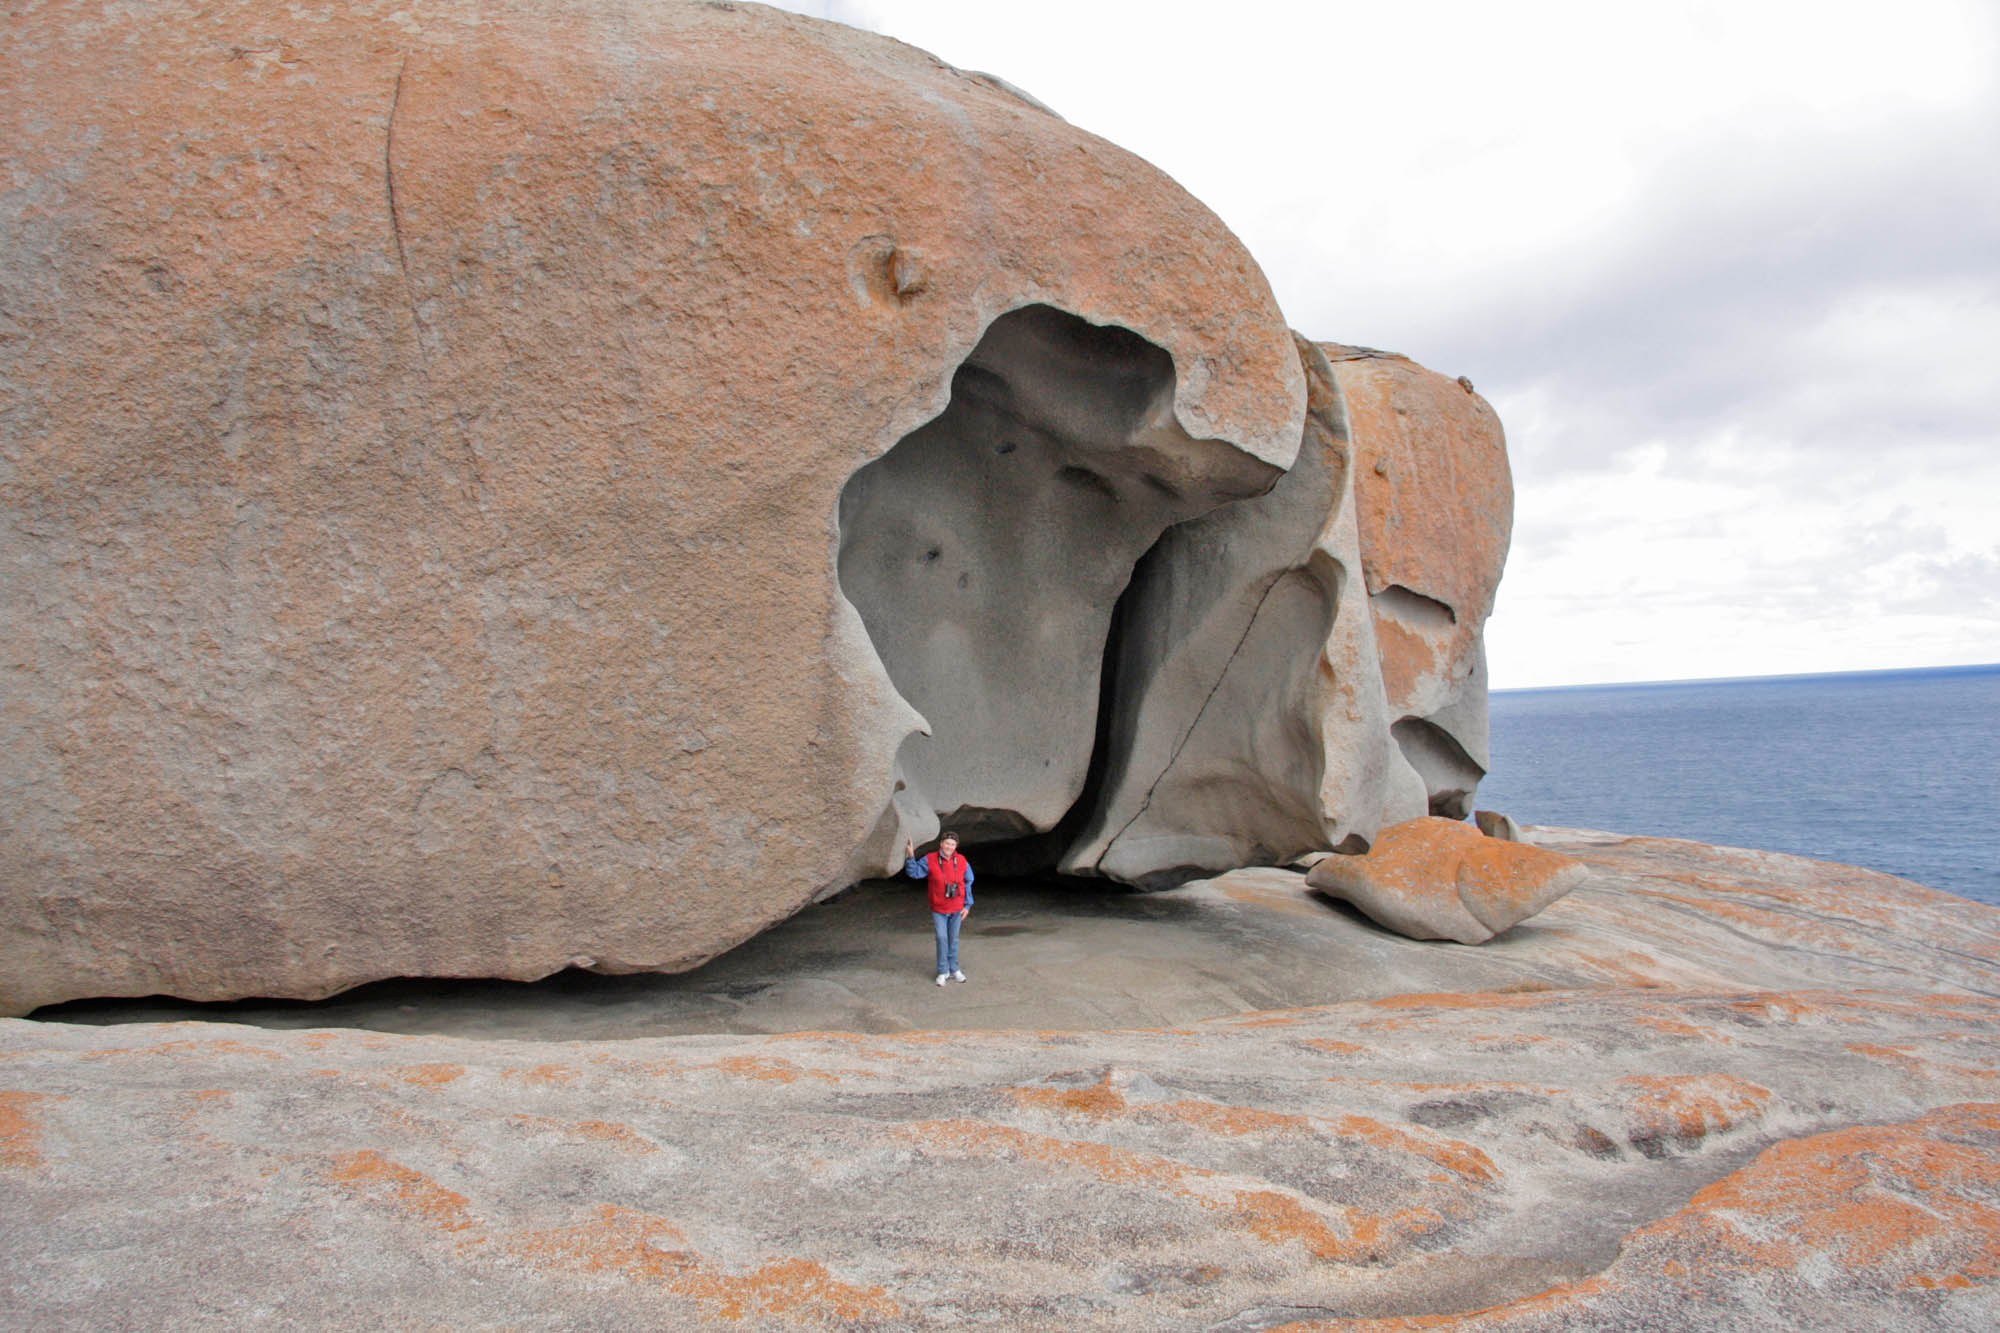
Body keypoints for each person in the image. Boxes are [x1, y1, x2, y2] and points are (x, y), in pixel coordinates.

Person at [905, 832, 973, 986]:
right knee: (942, 938)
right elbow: (915, 873)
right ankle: (943, 971)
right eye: (947, 843)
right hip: (939, 908)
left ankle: (954, 969)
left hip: (957, 907)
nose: (949, 846)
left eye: (952, 844)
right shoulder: (930, 859)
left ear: (956, 846)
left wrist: (967, 905)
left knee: (953, 939)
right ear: (941, 844)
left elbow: (969, 880)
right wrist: (910, 857)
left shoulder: (961, 860)